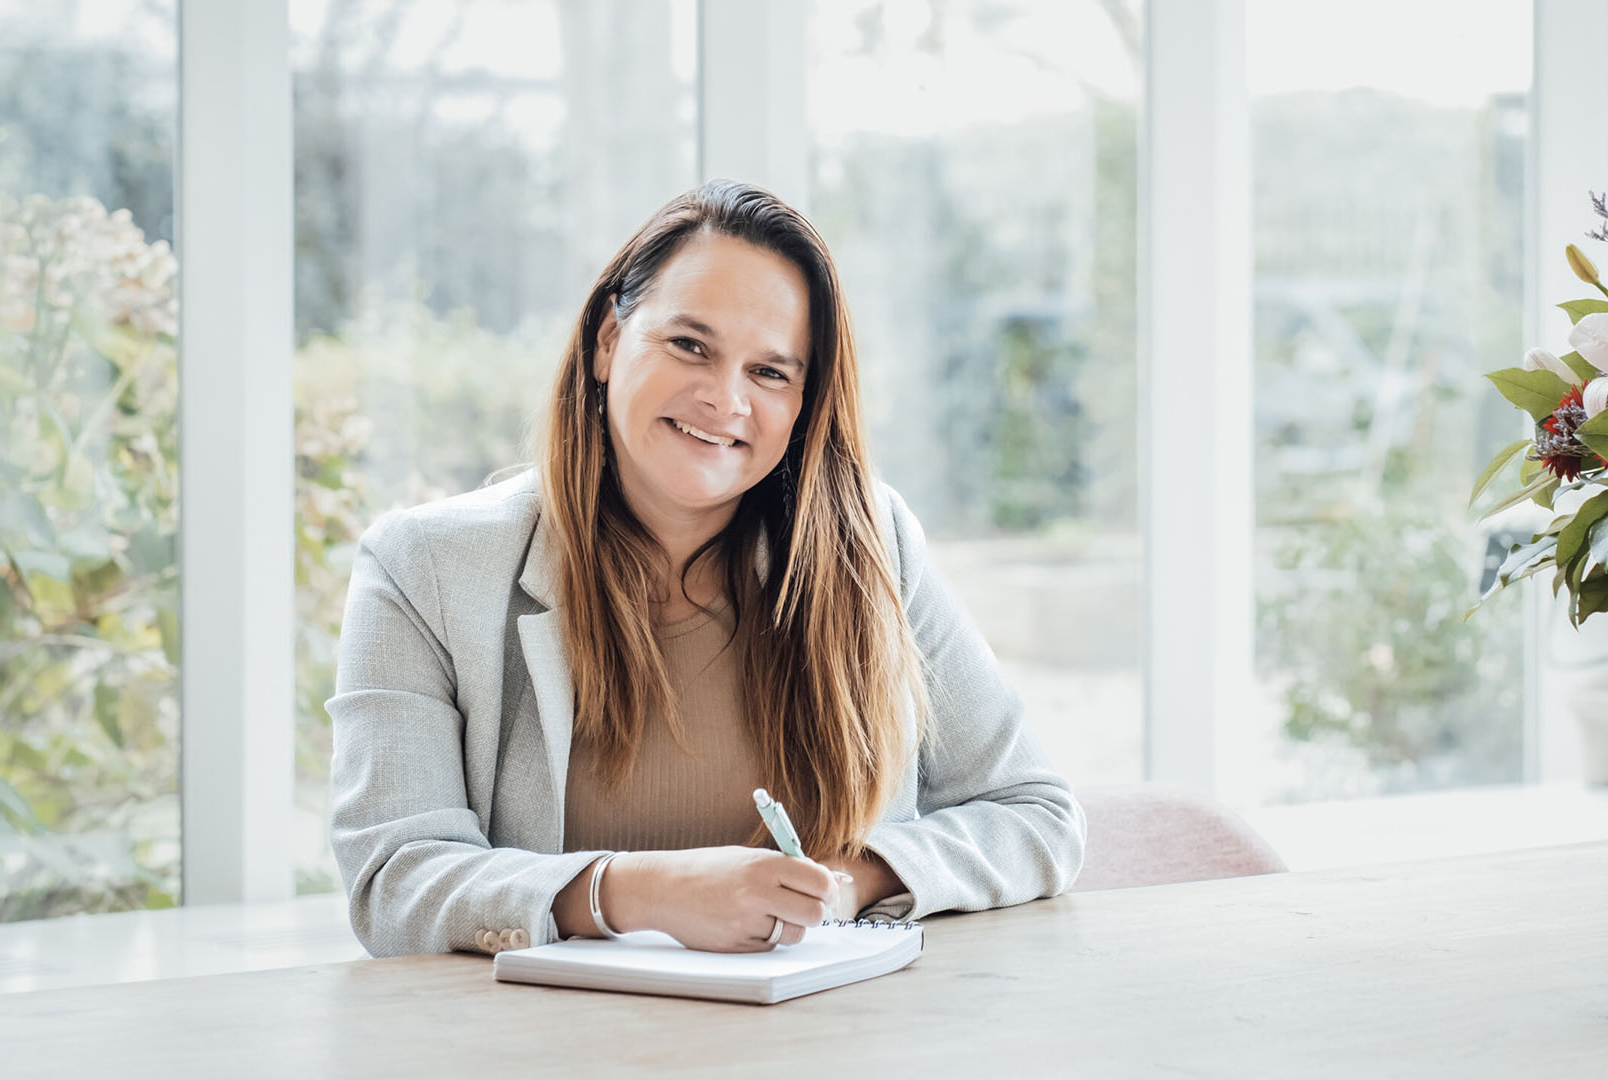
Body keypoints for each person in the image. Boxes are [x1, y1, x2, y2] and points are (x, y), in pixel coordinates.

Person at [328, 179, 1085, 958]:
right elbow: (393, 877)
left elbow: (1033, 814)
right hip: (553, 1027)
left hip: (823, 1021)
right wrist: (638, 893)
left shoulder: (871, 544)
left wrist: (844, 882)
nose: (724, 401)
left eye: (770, 373)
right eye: (690, 345)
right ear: (607, 340)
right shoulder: (425, 568)